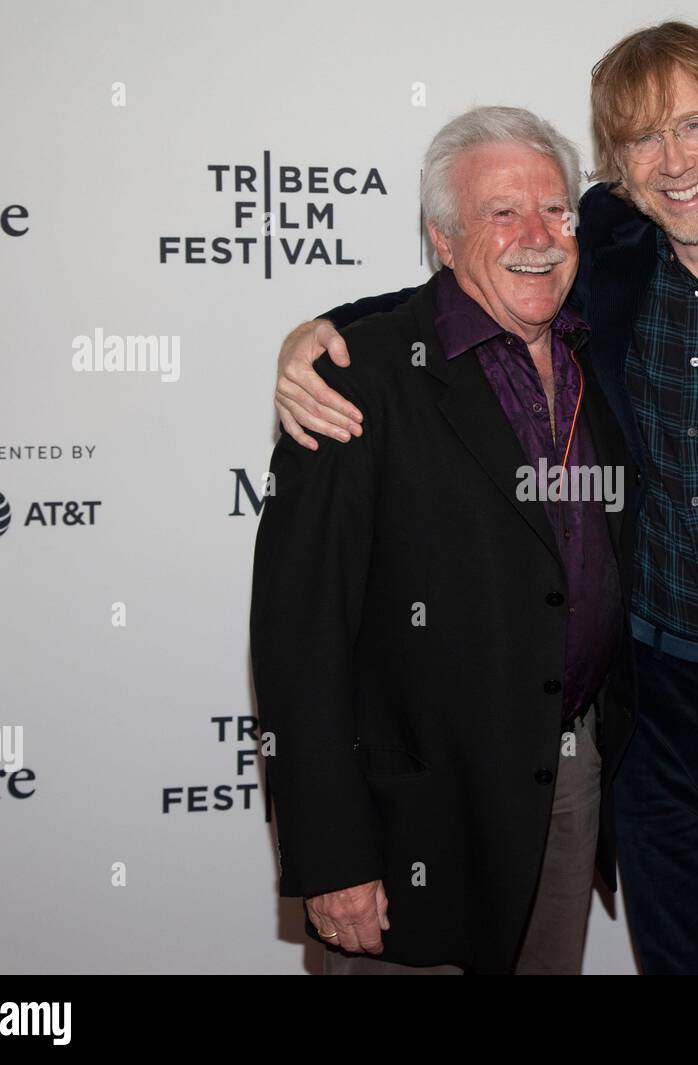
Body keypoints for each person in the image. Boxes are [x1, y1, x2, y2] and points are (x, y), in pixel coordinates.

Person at [271, 20, 698, 975]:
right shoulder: (605, 245)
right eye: (642, 139)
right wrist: (320, 331)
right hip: (645, 707)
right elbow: (472, 276)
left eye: (695, 125)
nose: (674, 161)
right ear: (616, 168)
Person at [251, 106, 635, 974]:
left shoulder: (593, 357)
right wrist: (332, 855)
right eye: (503, 214)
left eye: (555, 210)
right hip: (412, 810)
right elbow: (297, 633)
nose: (537, 236)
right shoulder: (358, 377)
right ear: (443, 237)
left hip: (567, 780)